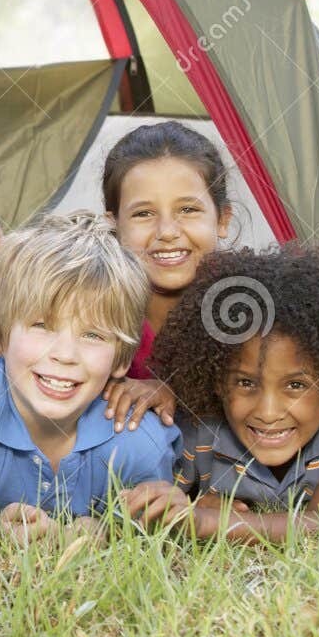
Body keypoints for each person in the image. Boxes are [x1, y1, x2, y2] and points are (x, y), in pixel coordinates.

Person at [124, 243, 319, 542]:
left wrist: (205, 522)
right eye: (245, 383)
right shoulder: (200, 431)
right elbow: (145, 507)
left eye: (296, 385)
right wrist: (189, 505)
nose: (267, 412)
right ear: (216, 381)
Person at [0, 212, 177, 541]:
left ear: (122, 357)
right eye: (42, 326)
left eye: (93, 335)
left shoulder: (141, 444)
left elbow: (147, 540)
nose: (64, 355)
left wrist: (79, 536)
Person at [100, 121, 235, 432]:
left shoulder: (245, 306)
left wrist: (172, 391)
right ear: (115, 225)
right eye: (143, 214)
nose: (167, 232)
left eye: (187, 210)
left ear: (222, 219)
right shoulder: (99, 308)